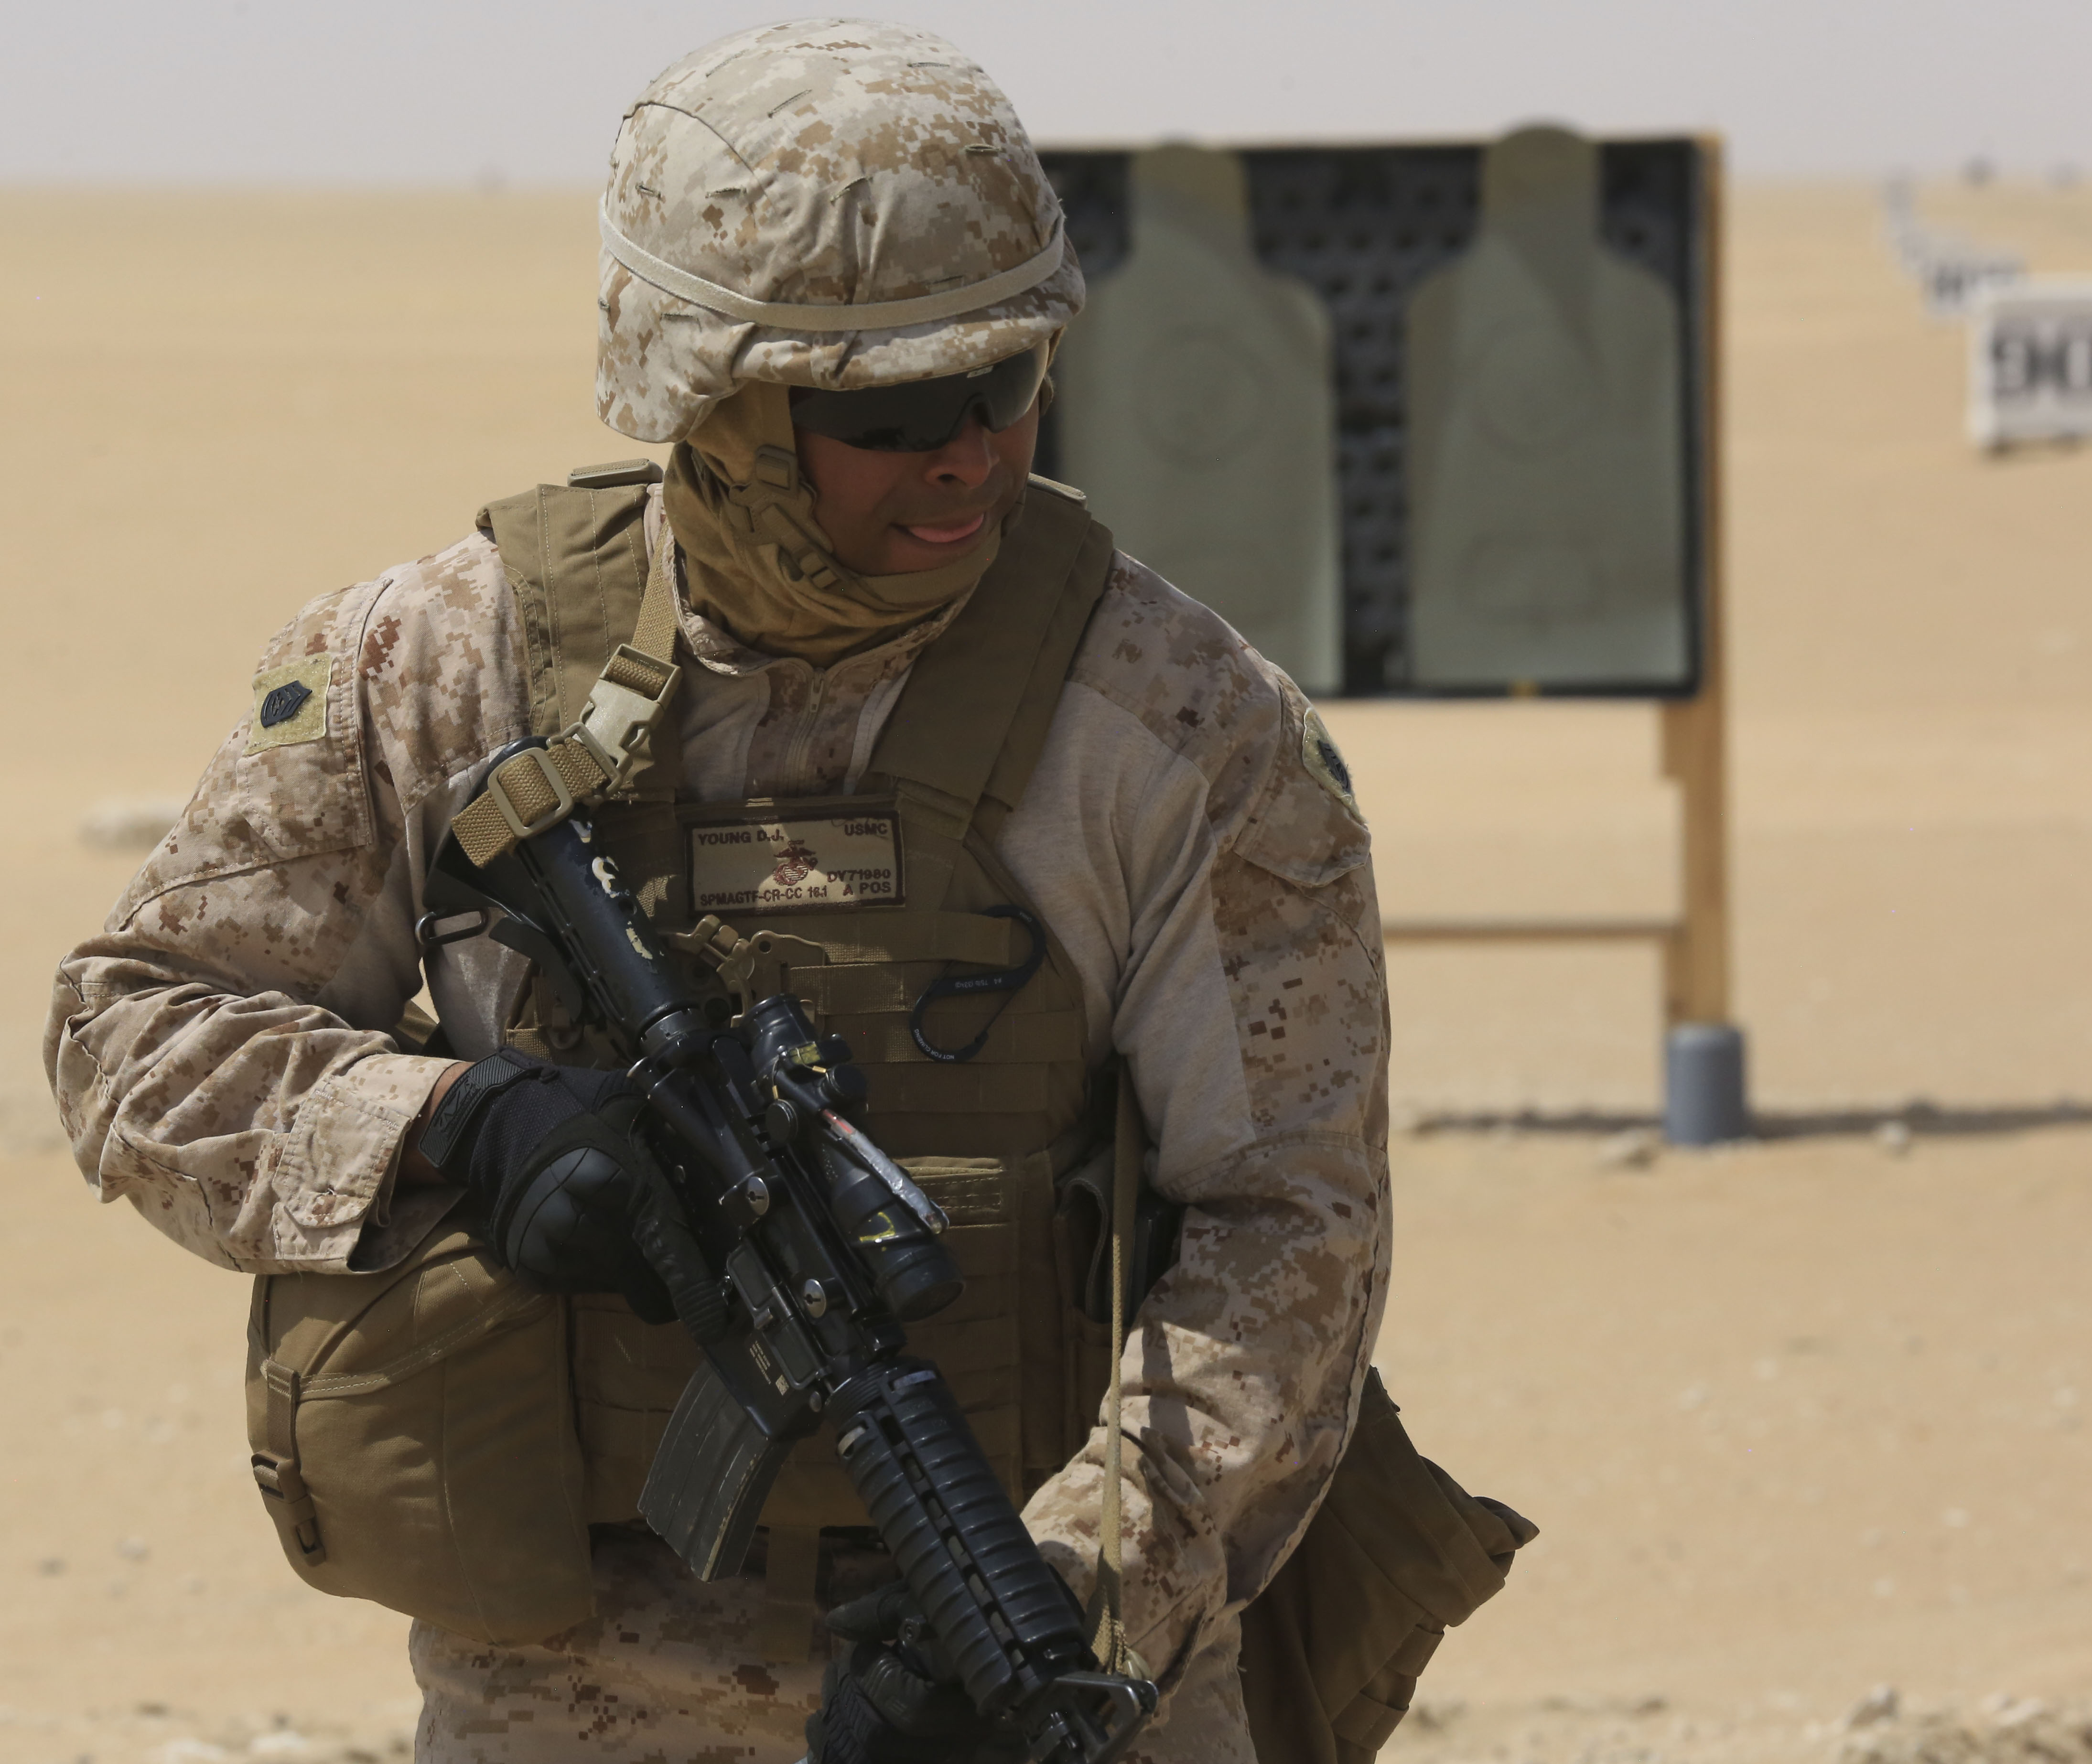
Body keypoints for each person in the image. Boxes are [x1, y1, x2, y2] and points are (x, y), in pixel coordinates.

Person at [44, 19, 1389, 1763]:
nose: (973, 454)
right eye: (893, 410)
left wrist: (1085, 1570)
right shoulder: (438, 668)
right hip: (577, 1690)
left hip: (1041, 1673)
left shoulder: (1178, 726)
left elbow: (1294, 1218)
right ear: (716, 405)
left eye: (1007, 383)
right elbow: (134, 1033)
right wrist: (457, 1124)